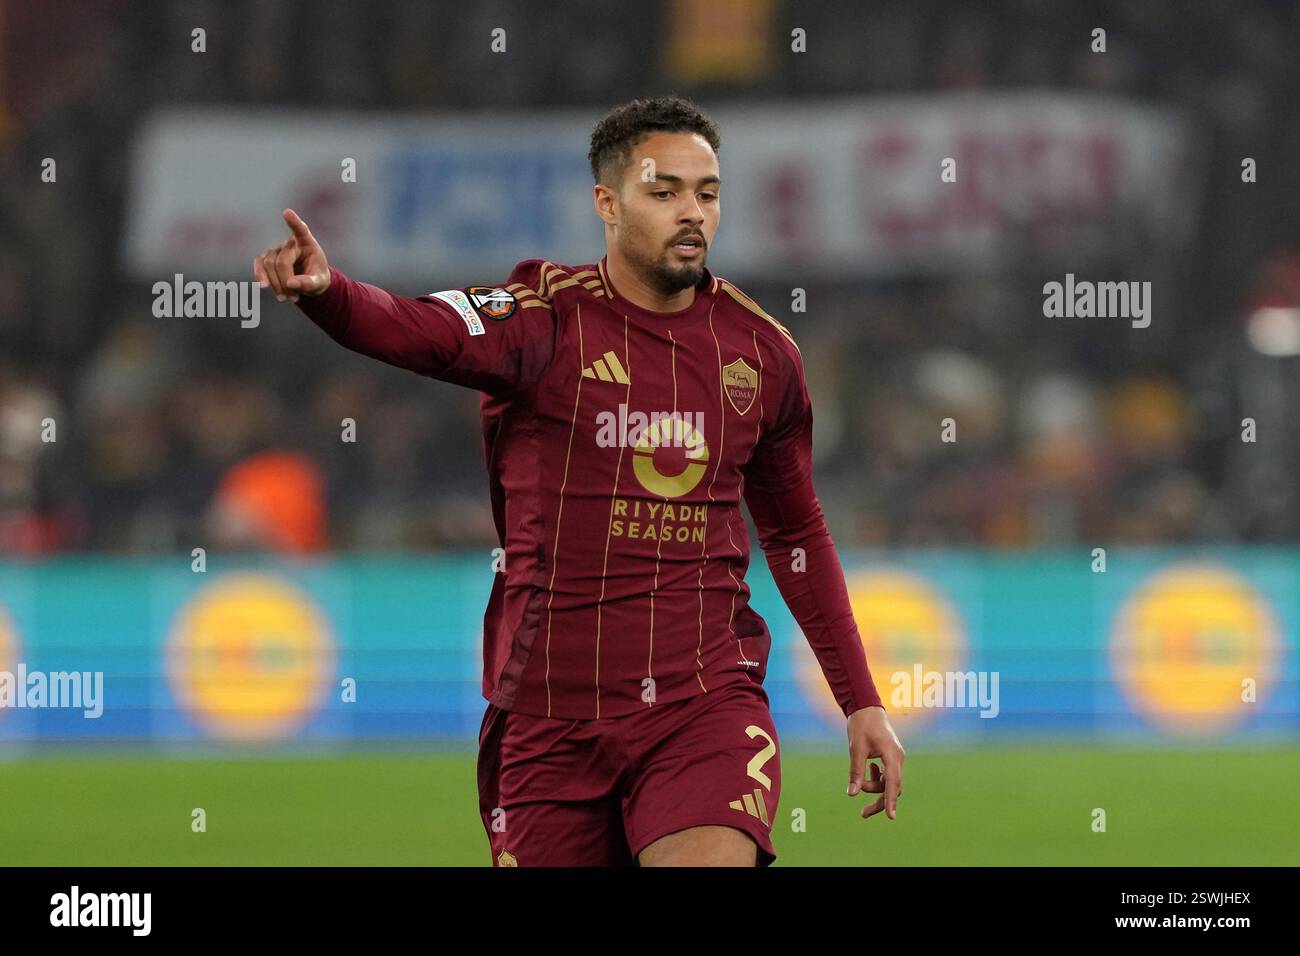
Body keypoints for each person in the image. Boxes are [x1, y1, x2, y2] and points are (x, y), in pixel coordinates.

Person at [254, 95, 904, 867]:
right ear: (608, 201)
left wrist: (860, 698)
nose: (691, 212)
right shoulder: (541, 319)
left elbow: (796, 534)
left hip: (702, 705)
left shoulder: (762, 355)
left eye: (708, 191)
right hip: (547, 716)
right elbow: (419, 330)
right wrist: (330, 294)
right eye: (664, 192)